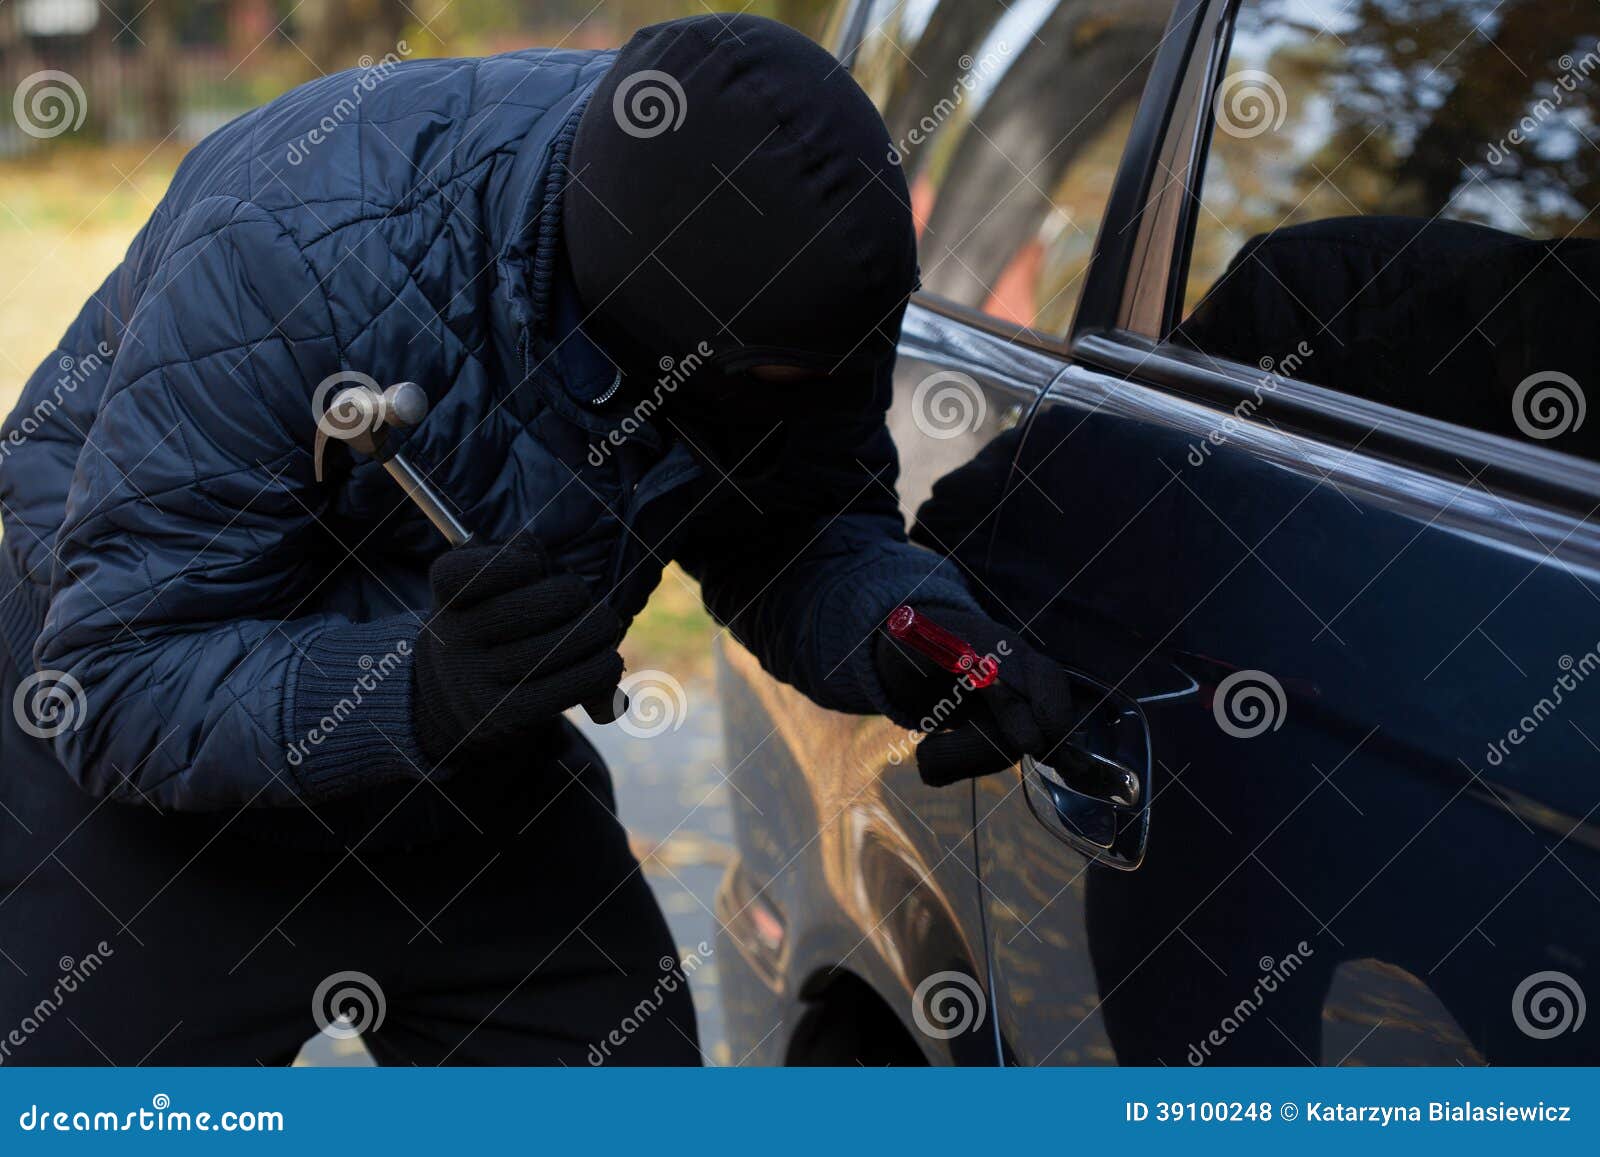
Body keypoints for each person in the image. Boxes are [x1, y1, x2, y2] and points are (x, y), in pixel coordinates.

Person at [0, 14, 1075, 1065]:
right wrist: (414, 691)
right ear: (636, 330)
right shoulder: (295, 250)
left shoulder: (796, 283)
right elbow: (112, 677)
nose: (809, 398)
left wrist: (902, 632)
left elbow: (798, 529)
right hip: (154, 758)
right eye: (772, 380)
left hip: (471, 756)